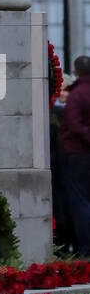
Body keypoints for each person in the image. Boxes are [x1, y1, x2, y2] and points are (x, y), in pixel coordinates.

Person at [59, 54, 90, 258]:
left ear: (76, 72)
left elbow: (73, 124)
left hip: (78, 154)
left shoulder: (77, 95)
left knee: (79, 202)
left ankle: (86, 248)